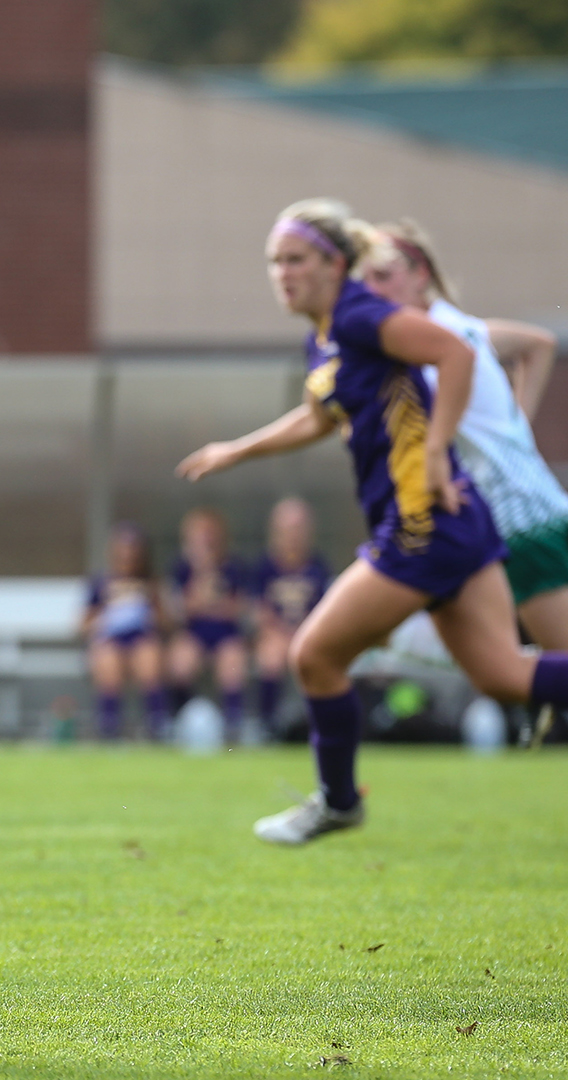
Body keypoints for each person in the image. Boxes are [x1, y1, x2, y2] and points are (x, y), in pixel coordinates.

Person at [177, 197, 568, 844]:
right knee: (504, 675)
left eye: (296, 259)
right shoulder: (326, 335)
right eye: (275, 262)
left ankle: (337, 801)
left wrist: (438, 448)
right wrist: (237, 450)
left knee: (314, 655)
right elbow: (319, 415)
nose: (283, 273)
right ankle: (337, 800)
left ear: (335, 264)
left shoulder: (361, 315)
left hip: (423, 525)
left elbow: (457, 355)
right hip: (454, 523)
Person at [360, 221, 568, 652]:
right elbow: (540, 344)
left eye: (384, 275)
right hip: (515, 513)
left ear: (421, 275)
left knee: (550, 668)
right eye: (365, 281)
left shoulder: (442, 344)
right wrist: (518, 425)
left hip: (522, 522)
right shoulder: (462, 328)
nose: (373, 291)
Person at [165, 508, 251, 739]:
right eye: (200, 534)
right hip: (194, 634)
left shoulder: (234, 566)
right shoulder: (182, 568)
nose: (206, 539)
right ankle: (177, 723)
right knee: (181, 661)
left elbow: (240, 608)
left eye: (210, 533)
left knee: (233, 663)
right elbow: (180, 610)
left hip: (227, 635)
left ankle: (234, 729)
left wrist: (207, 604)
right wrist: (203, 577)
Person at [83, 523, 168, 741]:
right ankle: (109, 727)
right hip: (111, 640)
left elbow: (166, 622)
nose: (128, 556)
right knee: (108, 659)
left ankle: (157, 725)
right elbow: (82, 623)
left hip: (141, 639)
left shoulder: (151, 583)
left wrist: (150, 600)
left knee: (149, 656)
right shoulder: (101, 583)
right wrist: (108, 608)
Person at [252, 497, 331, 730]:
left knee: (318, 659)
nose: (294, 535)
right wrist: (279, 631)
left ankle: (319, 723)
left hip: (309, 635)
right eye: (288, 529)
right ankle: (267, 725)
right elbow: (258, 610)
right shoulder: (265, 566)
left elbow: (326, 609)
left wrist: (303, 633)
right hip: (275, 635)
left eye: (299, 528)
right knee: (271, 655)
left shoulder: (318, 566)